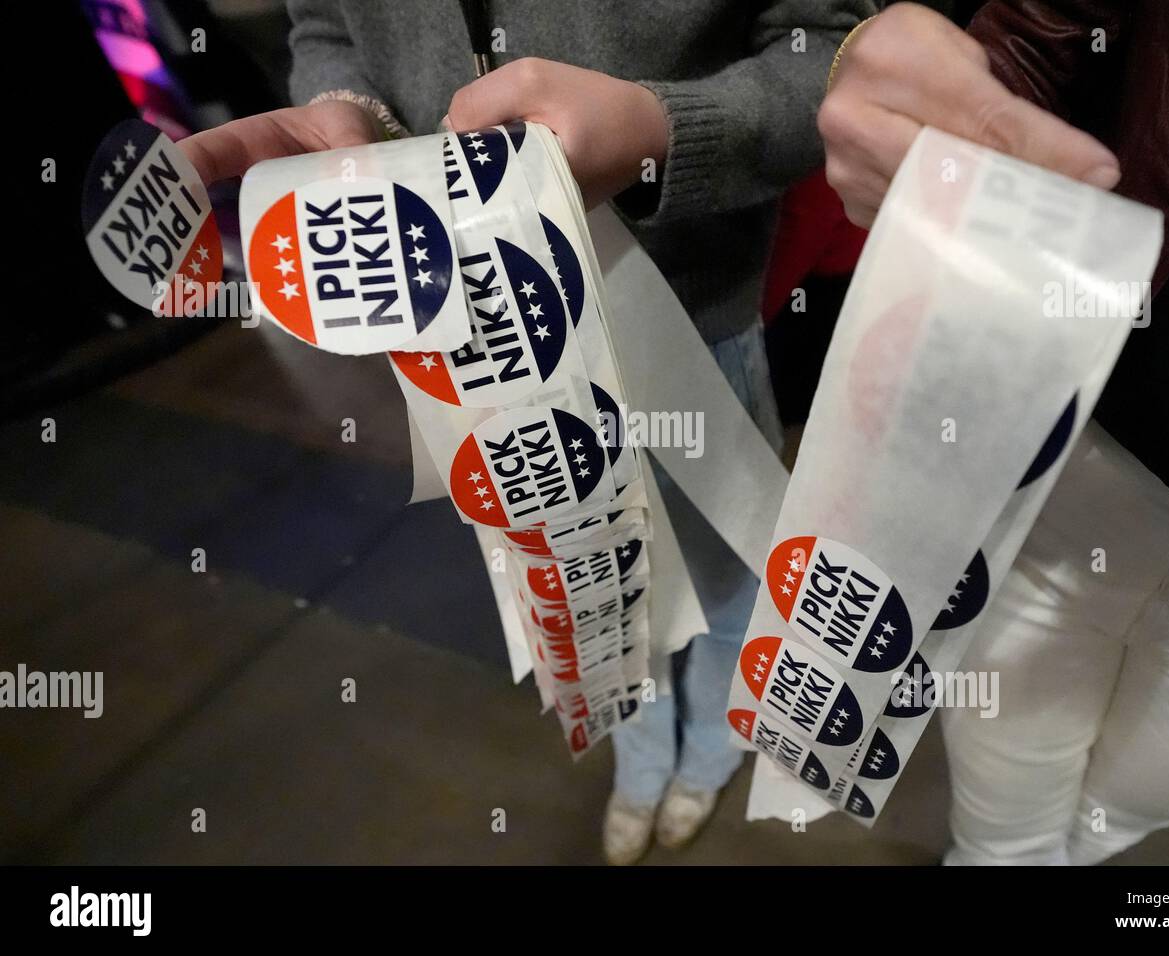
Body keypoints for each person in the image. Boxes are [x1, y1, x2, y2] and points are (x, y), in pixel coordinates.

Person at [178, 0, 873, 865]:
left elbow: (831, 47)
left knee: (732, 582)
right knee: (593, 594)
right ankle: (647, 761)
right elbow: (324, 25)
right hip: (479, 347)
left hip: (693, 308)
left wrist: (665, 126)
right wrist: (348, 106)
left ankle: (713, 754)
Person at [818, 1, 1169, 863]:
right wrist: (950, 105)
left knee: (1102, 823)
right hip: (1085, 455)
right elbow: (1043, 37)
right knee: (1004, 824)